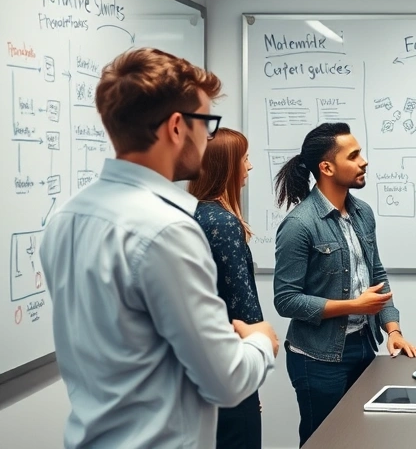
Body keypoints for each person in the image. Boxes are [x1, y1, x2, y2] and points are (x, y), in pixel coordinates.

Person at [39, 48, 278, 448]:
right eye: (207, 125)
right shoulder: (167, 230)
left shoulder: (65, 218)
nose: (208, 139)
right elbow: (227, 381)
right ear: (177, 127)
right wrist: (261, 341)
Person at [273, 122, 416, 446]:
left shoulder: (362, 213)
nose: (363, 161)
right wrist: (353, 306)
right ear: (326, 168)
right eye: (353, 155)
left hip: (363, 347)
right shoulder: (299, 224)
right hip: (317, 357)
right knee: (324, 441)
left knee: (361, 439)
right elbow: (286, 300)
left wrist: (393, 331)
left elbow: (377, 275)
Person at [188, 128, 264, 449]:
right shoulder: (223, 223)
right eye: (244, 159)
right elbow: (244, 311)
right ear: (227, 166)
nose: (249, 166)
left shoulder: (190, 214)